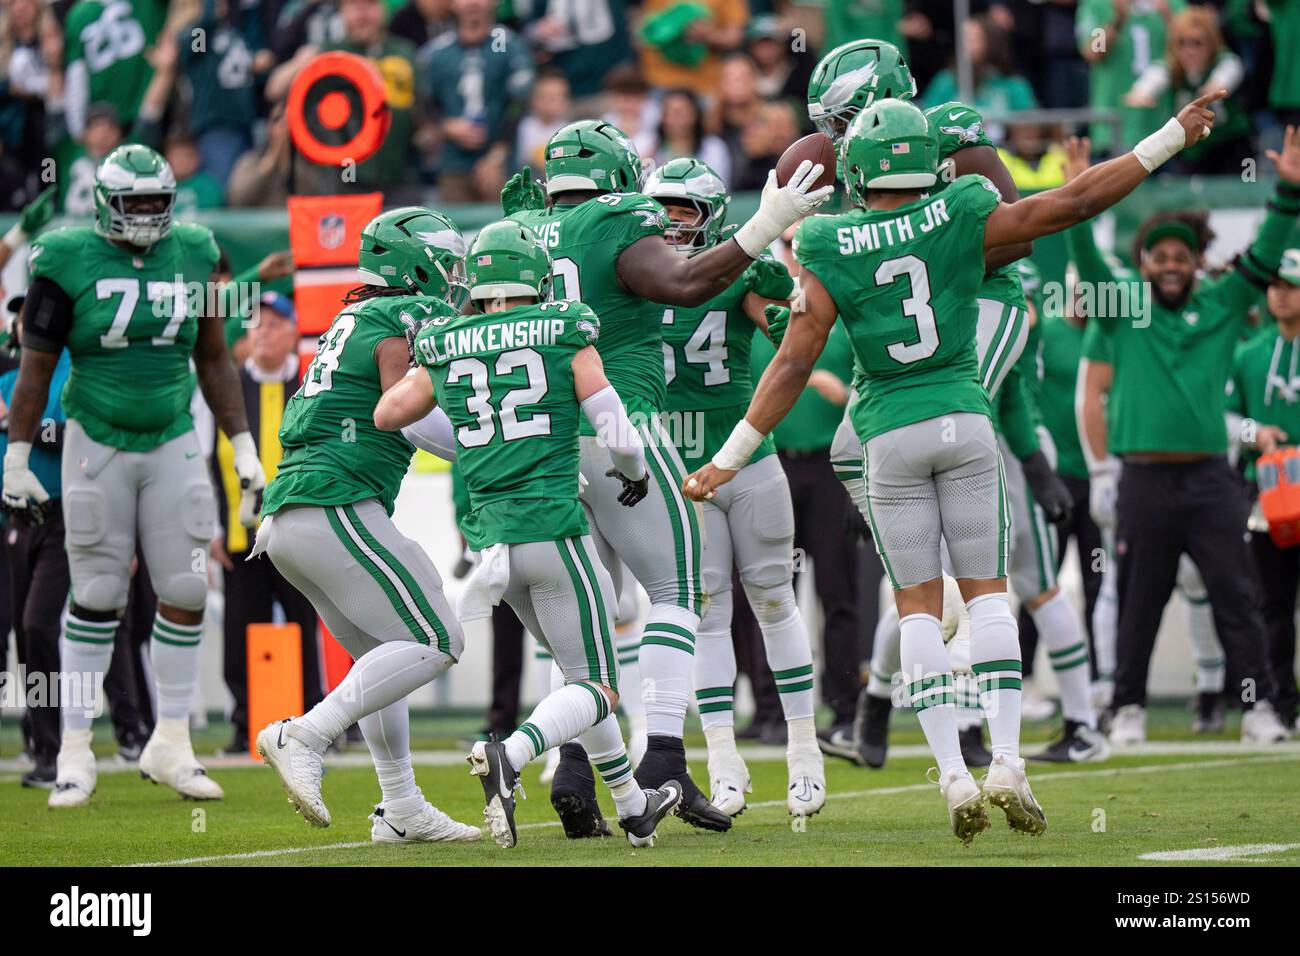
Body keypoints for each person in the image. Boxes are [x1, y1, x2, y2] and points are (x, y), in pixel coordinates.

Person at [683, 90, 1228, 842]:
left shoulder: (831, 242)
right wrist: (1171, 134)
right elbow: (1070, 203)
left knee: (917, 607)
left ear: (858, 169)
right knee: (990, 601)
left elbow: (791, 361)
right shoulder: (965, 207)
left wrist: (728, 456)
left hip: (888, 434)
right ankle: (1007, 759)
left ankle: (950, 773)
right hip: (965, 419)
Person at [501, 117, 831, 833]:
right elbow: (683, 284)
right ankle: (663, 758)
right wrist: (768, 222)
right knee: (679, 593)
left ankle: (580, 770)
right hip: (625, 433)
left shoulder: (522, 228)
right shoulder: (621, 226)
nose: (666, 223)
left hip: (544, 448)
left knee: (587, 618)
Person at [375, 219, 682, 848]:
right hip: (554, 530)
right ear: (536, 277)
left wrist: (475, 446)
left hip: (494, 544)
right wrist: (636, 473)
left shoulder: (447, 339)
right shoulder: (564, 326)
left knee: (576, 677)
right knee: (599, 685)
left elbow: (390, 415)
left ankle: (630, 805)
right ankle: (509, 755)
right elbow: (617, 428)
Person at [2, 144, 266, 808]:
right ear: (105, 204)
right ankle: (73, 749)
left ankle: (171, 741)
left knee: (183, 584)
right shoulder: (64, 259)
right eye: (135, 203)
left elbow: (212, 357)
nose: (148, 214)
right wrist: (16, 454)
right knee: (95, 591)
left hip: (172, 434)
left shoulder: (198, 251)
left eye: (157, 202)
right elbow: (35, 369)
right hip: (97, 437)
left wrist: (242, 445)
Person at [1065, 125, 1300, 747]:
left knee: (1236, 597)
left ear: (1196, 261)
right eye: (1159, 257)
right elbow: (1086, 261)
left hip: (1208, 477)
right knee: (1140, 601)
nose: (1170, 265)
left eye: (1180, 257)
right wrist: (1076, 197)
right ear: (1144, 263)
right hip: (1143, 476)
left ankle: (1258, 708)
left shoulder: (1222, 302)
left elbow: (1267, 256)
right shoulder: (1124, 307)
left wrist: (1289, 195)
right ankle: (1130, 707)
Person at [251, 207, 480, 844]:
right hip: (336, 501)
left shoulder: (356, 317)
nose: (454, 278)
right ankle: (306, 735)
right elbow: (402, 414)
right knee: (438, 638)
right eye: (447, 263)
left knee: (383, 657)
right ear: (416, 264)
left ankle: (401, 807)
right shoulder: (402, 316)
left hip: (294, 514)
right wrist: (489, 447)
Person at [645, 157, 825, 818]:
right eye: (661, 207)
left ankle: (803, 748)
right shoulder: (632, 280)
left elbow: (788, 331)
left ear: (712, 216)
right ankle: (722, 757)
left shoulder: (739, 272)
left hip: (744, 459)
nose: (669, 221)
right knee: (708, 612)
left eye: (683, 209)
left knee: (775, 599)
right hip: (677, 471)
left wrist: (787, 314)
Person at [210, 293, 324, 755]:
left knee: (305, 626)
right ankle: (245, 727)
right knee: (240, 631)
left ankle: (316, 725)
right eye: (256, 323)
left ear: (294, 334)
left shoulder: (310, 388)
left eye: (275, 324)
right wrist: (210, 528)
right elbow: (203, 460)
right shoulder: (225, 387)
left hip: (295, 535)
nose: (263, 331)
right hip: (240, 535)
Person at [0, 299, 69, 788]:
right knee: (26, 635)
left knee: (38, 624)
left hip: (65, 516)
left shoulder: (74, 370)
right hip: (16, 521)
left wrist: (19, 425)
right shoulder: (7, 382)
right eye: (22, 316)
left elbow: (75, 435)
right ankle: (43, 743)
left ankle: (58, 748)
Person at [1231, 248, 1300, 732]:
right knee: (1272, 604)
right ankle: (1280, 702)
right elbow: (1227, 418)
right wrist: (1259, 433)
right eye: (1274, 285)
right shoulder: (1247, 353)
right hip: (1268, 498)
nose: (1280, 294)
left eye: (1290, 286)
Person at [421, 0, 534, 203]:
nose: (472, 3)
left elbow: (519, 103)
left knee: (503, 228)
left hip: (502, 164)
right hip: (453, 162)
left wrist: (498, 154)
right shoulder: (436, 51)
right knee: (453, 230)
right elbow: (424, 102)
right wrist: (446, 125)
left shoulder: (511, 46)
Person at [1125, 6, 1252, 175]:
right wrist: (1141, 93)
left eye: (1197, 43)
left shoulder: (1225, 62)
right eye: (1182, 43)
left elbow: (1227, 75)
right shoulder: (1170, 69)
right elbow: (1150, 82)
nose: (1189, 51)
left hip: (1229, 148)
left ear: (1211, 44)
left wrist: (1212, 87)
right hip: (1190, 153)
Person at [1077, 0, 1185, 155]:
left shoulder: (1171, 4)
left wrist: (1169, 18)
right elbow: (1093, 52)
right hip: (1114, 126)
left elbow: (1195, 48)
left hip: (1162, 122)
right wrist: (1116, 21)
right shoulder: (1097, 4)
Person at [652, 88, 732, 188]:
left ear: (695, 115)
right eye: (669, 113)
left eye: (680, 112)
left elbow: (719, 188)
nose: (675, 119)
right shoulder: (650, 148)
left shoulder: (714, 148)